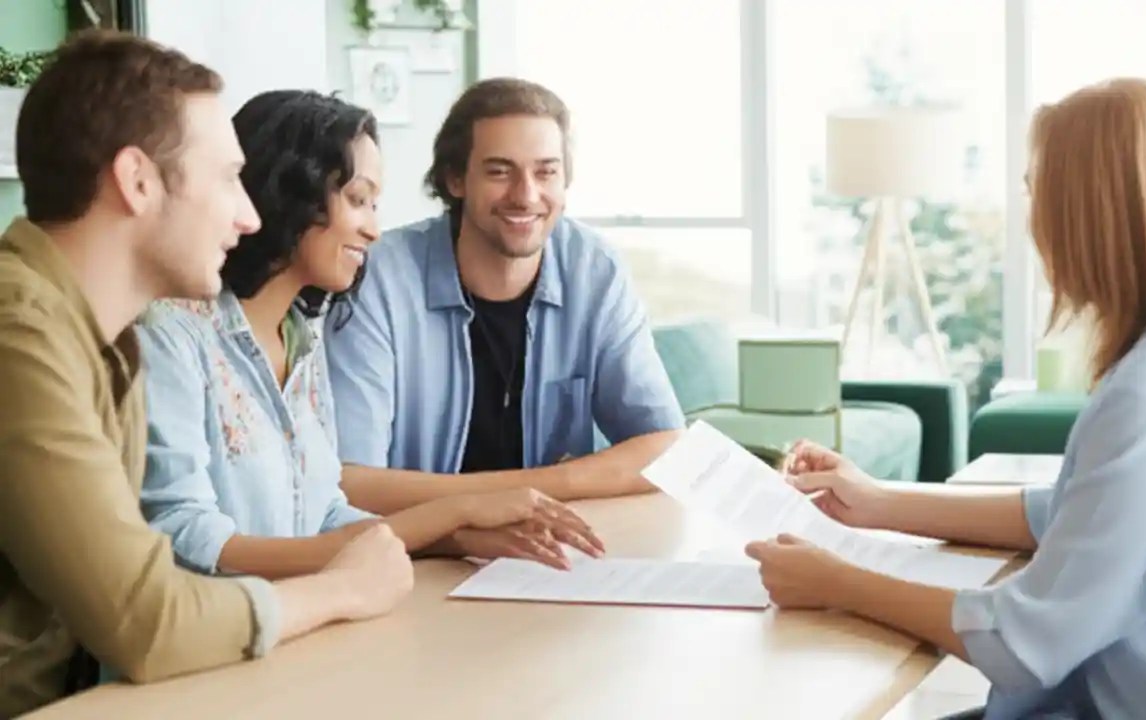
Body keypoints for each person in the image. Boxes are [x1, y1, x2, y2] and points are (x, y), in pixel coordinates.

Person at [746, 78, 1146, 719]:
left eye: (1035, 189)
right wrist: (882, 503)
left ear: (1084, 215)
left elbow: (1023, 642)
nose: (1030, 219)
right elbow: (1078, 512)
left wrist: (834, 582)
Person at [0, 32, 415, 717]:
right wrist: (343, 590)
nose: (250, 214)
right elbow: (145, 618)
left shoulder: (105, 338)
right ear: (137, 181)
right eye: (227, 178)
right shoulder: (20, 338)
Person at [137, 89, 603, 576]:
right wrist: (457, 510)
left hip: (301, 629)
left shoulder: (303, 339)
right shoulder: (171, 335)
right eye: (358, 201)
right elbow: (185, 537)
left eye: (375, 205)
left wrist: (462, 538)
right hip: (220, 641)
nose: (373, 230)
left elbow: (326, 516)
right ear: (292, 194)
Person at [325, 78, 685, 562]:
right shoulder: (379, 276)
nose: (526, 194)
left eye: (546, 172)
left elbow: (665, 447)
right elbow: (351, 482)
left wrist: (537, 492)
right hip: (415, 561)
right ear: (456, 179)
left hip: (547, 560)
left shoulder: (593, 269)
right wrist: (492, 503)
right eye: (500, 172)